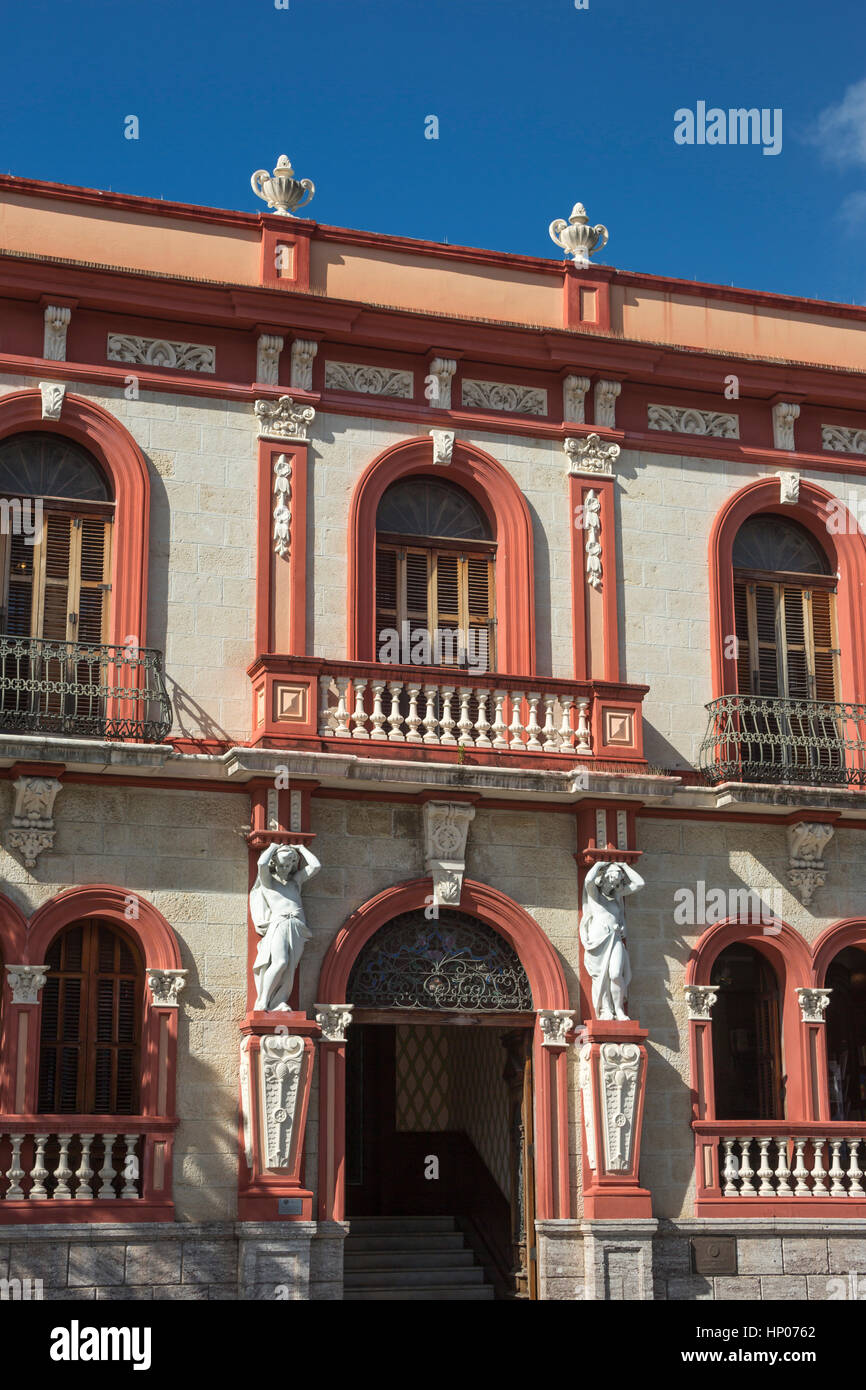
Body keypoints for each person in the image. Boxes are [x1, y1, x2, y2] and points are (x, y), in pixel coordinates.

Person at [250, 841, 321, 1012]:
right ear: (274, 863)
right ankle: (263, 1000)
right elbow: (261, 863)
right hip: (279, 924)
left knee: (290, 969)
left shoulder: (295, 882)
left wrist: (301, 848)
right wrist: (273, 846)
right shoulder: (268, 883)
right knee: (280, 962)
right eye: (282, 865)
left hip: (297, 925)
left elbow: (316, 865)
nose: (285, 868)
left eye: (289, 865)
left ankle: (279, 1002)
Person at [579, 860, 644, 1021]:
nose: (612, 886)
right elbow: (588, 881)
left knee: (615, 973)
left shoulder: (616, 896)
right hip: (599, 940)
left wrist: (624, 867)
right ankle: (606, 1010)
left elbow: (639, 883)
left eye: (616, 883)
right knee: (602, 977)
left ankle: (619, 1010)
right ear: (604, 879)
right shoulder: (594, 895)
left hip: (614, 938)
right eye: (610, 881)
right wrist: (598, 865)